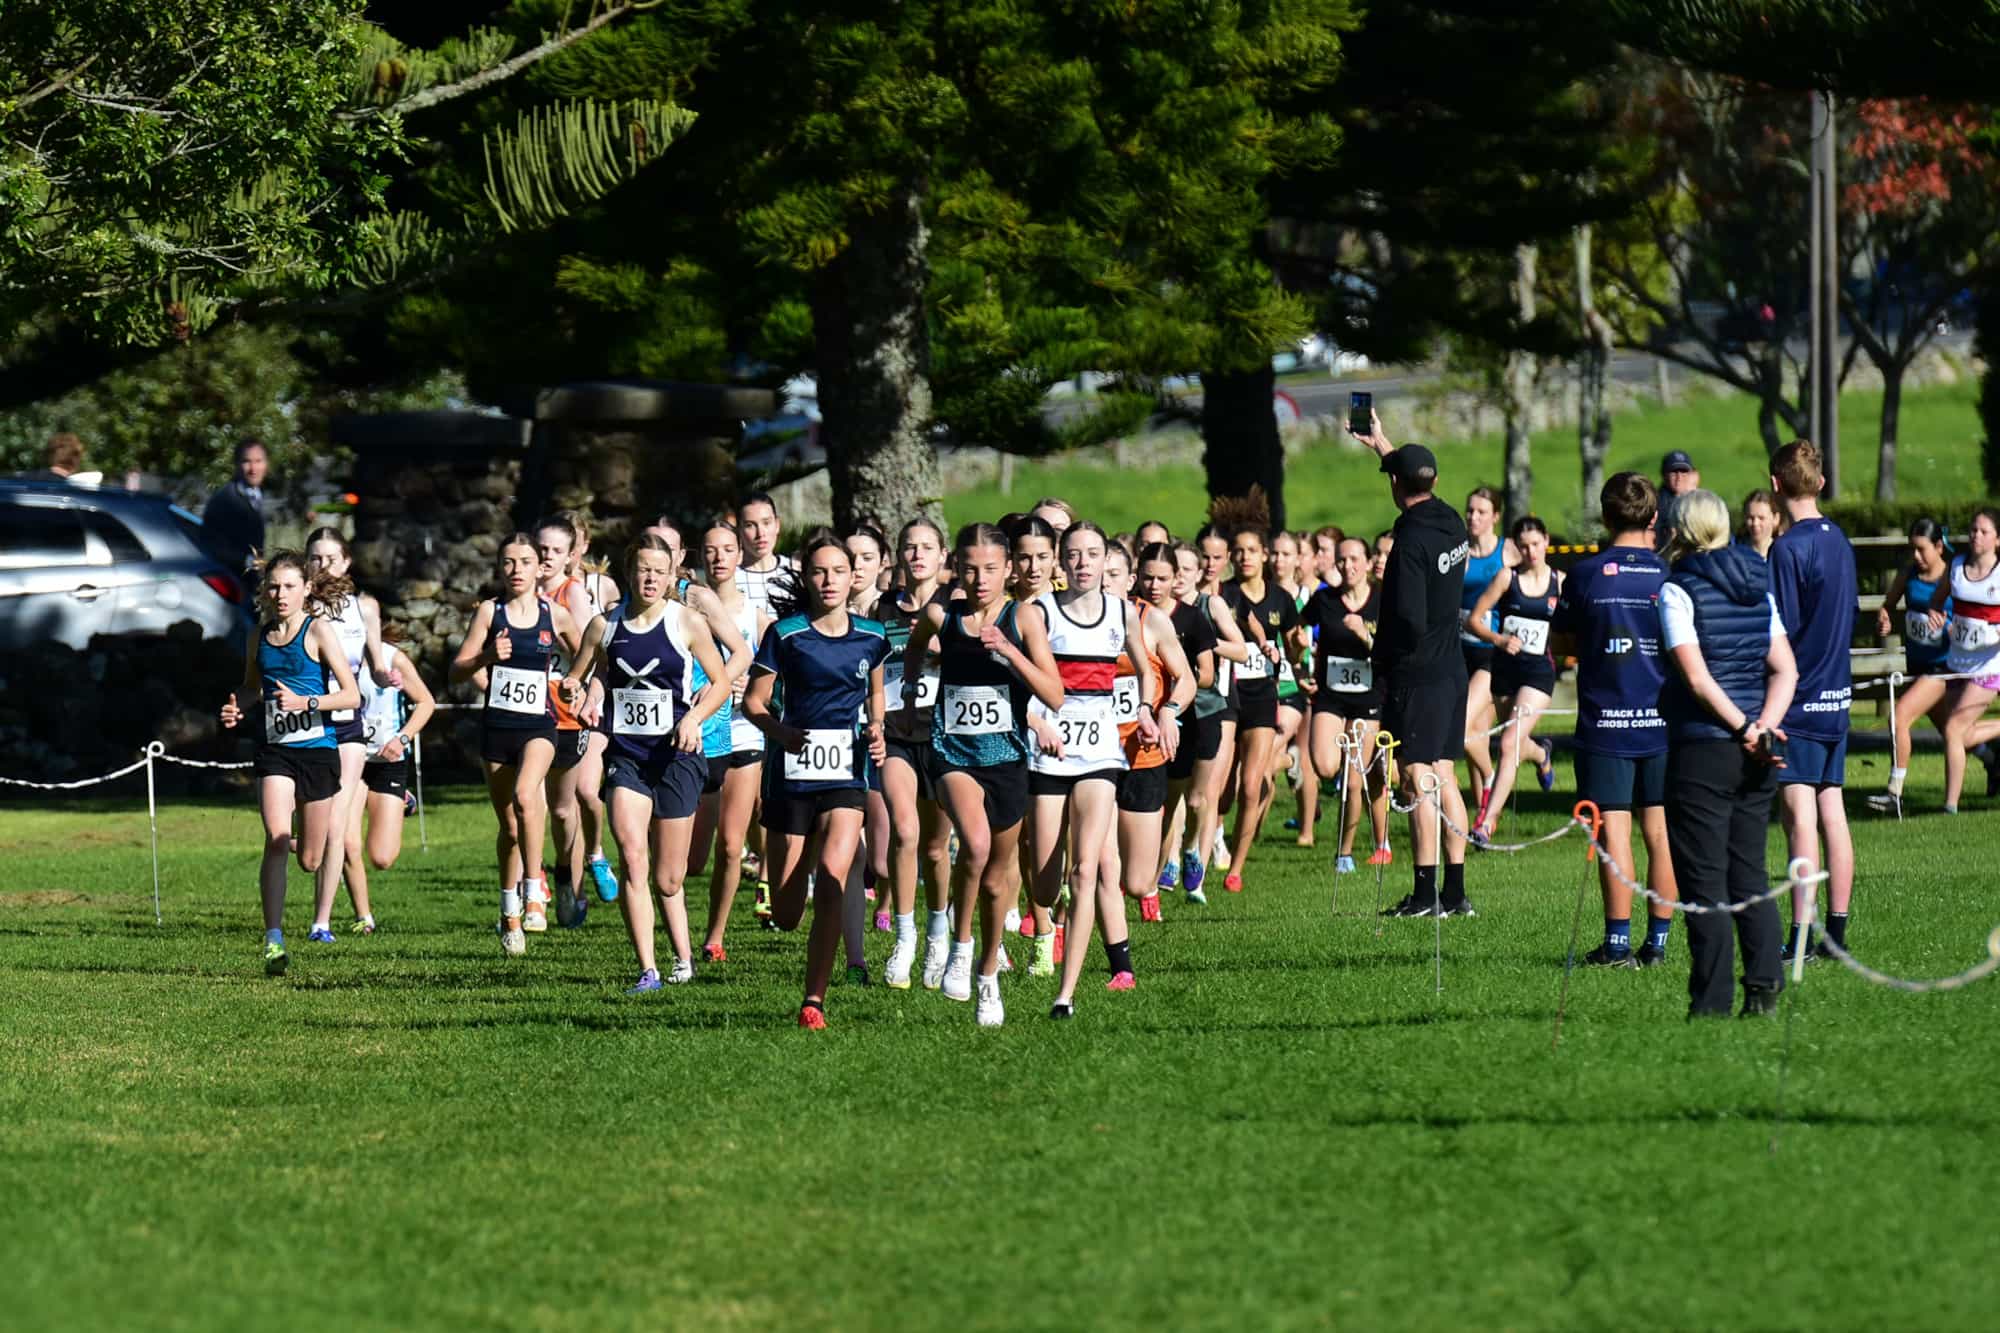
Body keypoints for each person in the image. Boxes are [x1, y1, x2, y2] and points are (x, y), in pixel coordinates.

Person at [901, 523, 1064, 1028]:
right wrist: (909, 688)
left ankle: (988, 975)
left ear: (1009, 568)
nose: (979, 578)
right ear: (958, 567)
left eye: (991, 568)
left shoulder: (1026, 618)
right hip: (953, 753)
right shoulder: (941, 615)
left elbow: (1055, 695)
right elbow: (915, 645)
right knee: (971, 844)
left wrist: (1009, 651)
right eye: (970, 568)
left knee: (997, 879)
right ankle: (959, 944)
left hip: (1008, 759)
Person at [563, 534, 730, 992]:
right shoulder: (604, 626)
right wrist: (575, 696)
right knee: (633, 858)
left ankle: (683, 957)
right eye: (643, 569)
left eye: (660, 570)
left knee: (669, 877)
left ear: (672, 572)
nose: (651, 578)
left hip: (676, 756)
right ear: (629, 572)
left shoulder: (687, 623)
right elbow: (573, 678)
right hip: (627, 756)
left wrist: (695, 717)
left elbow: (720, 682)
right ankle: (648, 969)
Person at [1656, 489, 1797, 1017]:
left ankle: (1711, 1002)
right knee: (1749, 873)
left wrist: (1741, 726)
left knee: (1703, 881)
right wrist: (1765, 727)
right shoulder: (1758, 583)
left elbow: (1695, 677)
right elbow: (1786, 668)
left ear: (1681, 532)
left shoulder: (1679, 589)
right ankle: (1764, 985)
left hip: (1704, 748)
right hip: (1759, 748)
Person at [743, 533, 891, 1028]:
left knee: (833, 875)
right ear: (806, 578)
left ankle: (814, 1001)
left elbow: (875, 697)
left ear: (854, 578)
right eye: (819, 572)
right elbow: (754, 703)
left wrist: (877, 731)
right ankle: (793, 865)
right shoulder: (785, 635)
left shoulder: (872, 635)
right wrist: (781, 733)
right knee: (786, 914)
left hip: (846, 773)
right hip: (791, 776)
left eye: (838, 572)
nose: (829, 581)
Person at [1024, 522, 1159, 994]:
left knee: (1088, 867)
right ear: (1062, 562)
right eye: (1075, 555)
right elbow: (1021, 678)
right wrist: (1036, 721)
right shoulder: (1040, 612)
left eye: (1093, 555)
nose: (1083, 564)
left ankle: (1067, 994)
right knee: (1043, 886)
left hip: (1100, 753)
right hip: (1050, 753)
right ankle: (1044, 904)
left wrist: (1145, 710)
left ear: (1107, 562)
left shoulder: (1123, 612)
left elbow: (1144, 669)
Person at [1552, 474, 1679, 967]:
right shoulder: (1669, 578)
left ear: (1605, 518)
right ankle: (1659, 944)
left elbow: (1560, 644)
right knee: (1660, 833)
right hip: (1663, 724)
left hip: (1605, 725)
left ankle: (1617, 943)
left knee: (1614, 834)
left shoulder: (1583, 575)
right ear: (1653, 519)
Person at [1352, 417, 1476, 919]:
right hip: (1453, 668)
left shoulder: (1408, 544)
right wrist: (1382, 446)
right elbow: (1409, 481)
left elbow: (1407, 617)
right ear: (1435, 482)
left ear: (1397, 485)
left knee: (1416, 775)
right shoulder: (1451, 522)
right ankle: (1455, 893)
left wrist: (1383, 652)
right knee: (1444, 775)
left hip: (1418, 674)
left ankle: (1425, 896)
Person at [218, 553, 362, 975]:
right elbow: (250, 688)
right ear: (266, 591)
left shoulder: (318, 631)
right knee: (277, 838)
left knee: (310, 860)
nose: (280, 594)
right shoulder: (257, 636)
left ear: (306, 589)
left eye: (288, 586)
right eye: (274, 587)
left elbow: (352, 696)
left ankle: (308, 841)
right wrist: (237, 707)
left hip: (317, 751)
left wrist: (308, 702)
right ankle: (274, 939)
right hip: (276, 750)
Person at [450, 534, 585, 956]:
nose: (517, 570)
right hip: (497, 729)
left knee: (530, 798)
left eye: (525, 562)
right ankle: (508, 910)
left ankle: (533, 891)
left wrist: (575, 685)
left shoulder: (554, 614)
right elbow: (457, 670)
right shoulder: (491, 612)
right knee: (509, 826)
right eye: (508, 563)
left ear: (537, 567)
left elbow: (588, 652)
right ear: (500, 568)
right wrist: (487, 656)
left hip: (540, 727)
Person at [1765, 441, 1856, 964]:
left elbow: (1781, 632)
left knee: (1799, 815)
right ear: (1820, 483)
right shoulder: (1840, 541)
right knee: (1832, 812)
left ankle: (1800, 934)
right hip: (1838, 697)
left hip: (1799, 700)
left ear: (1775, 485)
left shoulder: (1786, 549)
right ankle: (1835, 933)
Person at [878, 519, 955, 989]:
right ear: (900, 556)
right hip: (897, 733)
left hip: (945, 733)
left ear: (943, 556)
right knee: (904, 831)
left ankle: (938, 934)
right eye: (910, 546)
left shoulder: (957, 608)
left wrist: (932, 642)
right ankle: (904, 939)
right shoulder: (882, 608)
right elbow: (870, 667)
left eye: (927, 547)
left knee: (935, 845)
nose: (918, 554)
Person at [686, 522, 768, 960]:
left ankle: (714, 937)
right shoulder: (688, 605)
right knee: (693, 860)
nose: (719, 557)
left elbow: (771, 670)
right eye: (711, 550)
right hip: (700, 732)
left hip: (743, 731)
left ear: (740, 555)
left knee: (733, 844)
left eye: (728, 549)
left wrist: (748, 685)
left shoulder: (755, 612)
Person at [305, 528, 389, 940]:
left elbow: (373, 661)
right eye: (314, 560)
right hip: (303, 727)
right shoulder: (297, 606)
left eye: (330, 559)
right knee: (309, 840)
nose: (323, 568)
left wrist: (383, 675)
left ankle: (321, 922)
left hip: (347, 728)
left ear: (347, 562)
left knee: (337, 826)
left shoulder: (364, 608)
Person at [535, 514, 615, 926]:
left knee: (567, 807)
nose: (546, 557)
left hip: (570, 713)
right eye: (541, 549)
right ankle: (528, 894)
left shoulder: (575, 594)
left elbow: (594, 653)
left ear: (570, 557)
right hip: (527, 714)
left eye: (554, 551)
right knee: (525, 804)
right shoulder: (517, 593)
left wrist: (586, 691)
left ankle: (574, 873)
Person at [1465, 516, 1561, 843]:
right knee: (1516, 744)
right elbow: (1474, 621)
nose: (1531, 551)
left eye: (1535, 544)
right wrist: (1499, 640)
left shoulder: (1560, 583)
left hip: (1538, 673)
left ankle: (1486, 825)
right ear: (1516, 548)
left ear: (1546, 541)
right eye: (1523, 546)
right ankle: (1542, 754)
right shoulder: (1507, 578)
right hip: (1505, 670)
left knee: (1507, 744)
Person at [1218, 523, 1302, 892]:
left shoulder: (1281, 599)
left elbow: (1294, 651)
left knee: (1250, 786)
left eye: (1252, 550)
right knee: (1220, 787)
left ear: (1264, 555)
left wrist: (1296, 647)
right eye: (1238, 551)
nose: (1245, 557)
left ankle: (1236, 867)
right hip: (1225, 696)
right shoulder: (1223, 595)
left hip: (1263, 698)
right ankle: (1207, 843)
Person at [1300, 538, 1389, 875]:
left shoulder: (1383, 602)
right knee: (1324, 766)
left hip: (1368, 699)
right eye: (1342, 559)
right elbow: (1297, 630)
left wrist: (1365, 636)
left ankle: (1344, 853)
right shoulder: (1324, 600)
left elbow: (1393, 652)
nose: (1348, 565)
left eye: (1354, 559)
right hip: (1331, 695)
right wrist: (1298, 658)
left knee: (1355, 783)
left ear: (1367, 563)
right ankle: (1331, 781)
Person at [340, 630, 436, 931]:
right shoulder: (335, 654)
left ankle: (402, 800)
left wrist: (402, 738)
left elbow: (426, 703)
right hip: (350, 757)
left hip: (389, 760)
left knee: (382, 857)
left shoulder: (394, 659)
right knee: (346, 841)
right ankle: (363, 917)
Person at [1868, 517, 1959, 815]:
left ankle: (1894, 792)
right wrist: (1883, 618)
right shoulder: (1909, 574)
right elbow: (1888, 605)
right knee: (1953, 732)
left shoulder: (1953, 578)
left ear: (1938, 547)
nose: (1916, 557)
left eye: (1922, 550)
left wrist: (1948, 627)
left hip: (1943, 668)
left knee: (1900, 717)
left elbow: (1968, 625)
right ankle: (1991, 757)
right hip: (1917, 665)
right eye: (1912, 550)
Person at [1154, 541, 1219, 909]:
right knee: (1169, 799)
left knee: (1196, 800)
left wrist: (1180, 680)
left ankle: (1193, 847)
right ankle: (1164, 867)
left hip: (1201, 716)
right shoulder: (1141, 615)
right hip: (1160, 719)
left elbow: (1207, 675)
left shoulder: (1193, 618)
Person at [1938, 507, 2000, 812]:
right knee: (1961, 734)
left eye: (1984, 531)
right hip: (1957, 663)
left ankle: (1950, 806)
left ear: (1997, 539)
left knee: (1952, 730)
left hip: (1990, 666)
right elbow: (1937, 603)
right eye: (1973, 530)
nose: (1976, 536)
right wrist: (1940, 619)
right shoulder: (1957, 566)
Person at [1457, 487, 1507, 819]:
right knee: (1475, 735)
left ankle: (1492, 778)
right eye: (1470, 511)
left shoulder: (1507, 552)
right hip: (1460, 649)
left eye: (1481, 512)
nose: (1473, 517)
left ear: (1495, 517)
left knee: (1460, 730)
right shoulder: (1458, 552)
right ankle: (1482, 822)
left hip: (1493, 653)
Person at [1270, 531, 1317, 845]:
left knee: (1306, 757)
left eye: (1286, 554)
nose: (1279, 561)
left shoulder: (1307, 596)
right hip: (1266, 684)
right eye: (1274, 554)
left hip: (1302, 683)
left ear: (1298, 559)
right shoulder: (1260, 595)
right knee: (1286, 754)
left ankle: (1307, 831)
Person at [203, 440, 270, 574]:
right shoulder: (224, 500)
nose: (253, 469)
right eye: (247, 461)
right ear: (237, 465)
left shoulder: (258, 495)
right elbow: (212, 545)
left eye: (258, 461)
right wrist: (247, 561)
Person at [735, 491, 798, 620]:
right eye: (750, 525)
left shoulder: (796, 572)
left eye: (766, 523)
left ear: (777, 525)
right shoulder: (731, 579)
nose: (760, 533)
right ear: (739, 530)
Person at [1655, 450, 1700, 552]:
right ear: (1663, 475)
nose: (1679, 477)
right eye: (1674, 472)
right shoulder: (1655, 504)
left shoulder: (1699, 501)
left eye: (1684, 471)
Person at [1741, 489, 1780, 560]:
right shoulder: (1737, 555)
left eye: (1761, 518)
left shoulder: (1782, 555)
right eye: (1750, 518)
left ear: (1775, 518)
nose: (1755, 523)